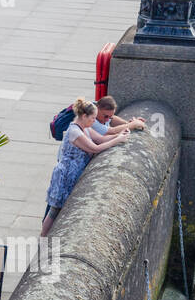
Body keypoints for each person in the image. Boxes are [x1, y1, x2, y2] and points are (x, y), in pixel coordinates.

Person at [41, 99, 129, 237]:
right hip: (66, 175)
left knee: (58, 210)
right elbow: (95, 148)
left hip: (73, 172)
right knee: (54, 211)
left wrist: (120, 134)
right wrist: (118, 140)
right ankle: (43, 238)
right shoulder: (75, 131)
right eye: (93, 118)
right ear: (84, 116)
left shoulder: (85, 128)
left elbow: (100, 139)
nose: (94, 121)